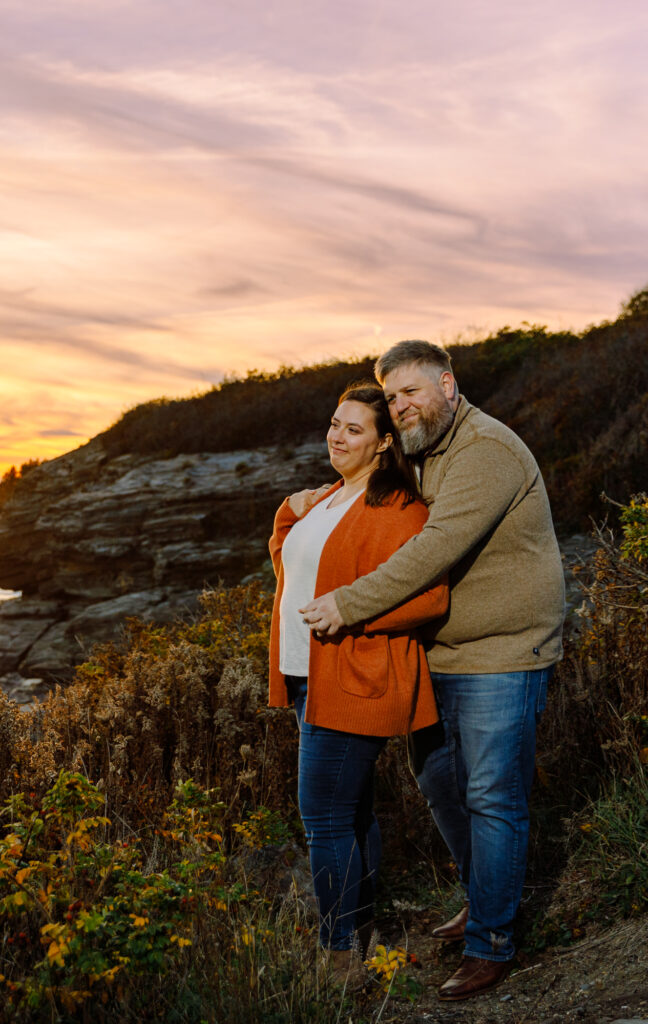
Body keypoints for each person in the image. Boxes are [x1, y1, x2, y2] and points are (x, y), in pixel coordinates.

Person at [301, 341, 565, 1001]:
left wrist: (348, 604)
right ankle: (485, 899)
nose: (400, 406)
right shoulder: (422, 450)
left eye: (411, 391)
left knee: (492, 796)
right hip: (437, 652)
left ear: (448, 384)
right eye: (391, 397)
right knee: (441, 786)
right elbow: (376, 496)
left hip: (502, 653)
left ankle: (492, 943)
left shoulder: (486, 450)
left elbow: (435, 547)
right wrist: (317, 502)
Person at [267, 382, 449, 989]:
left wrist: (353, 614)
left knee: (323, 818)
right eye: (334, 424)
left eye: (353, 430)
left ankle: (340, 957)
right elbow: (293, 568)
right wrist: (290, 512)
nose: (337, 437)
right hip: (307, 676)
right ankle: (360, 931)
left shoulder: (399, 508)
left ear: (384, 443)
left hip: (354, 677)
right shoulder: (328, 498)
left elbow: (429, 596)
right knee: (352, 812)